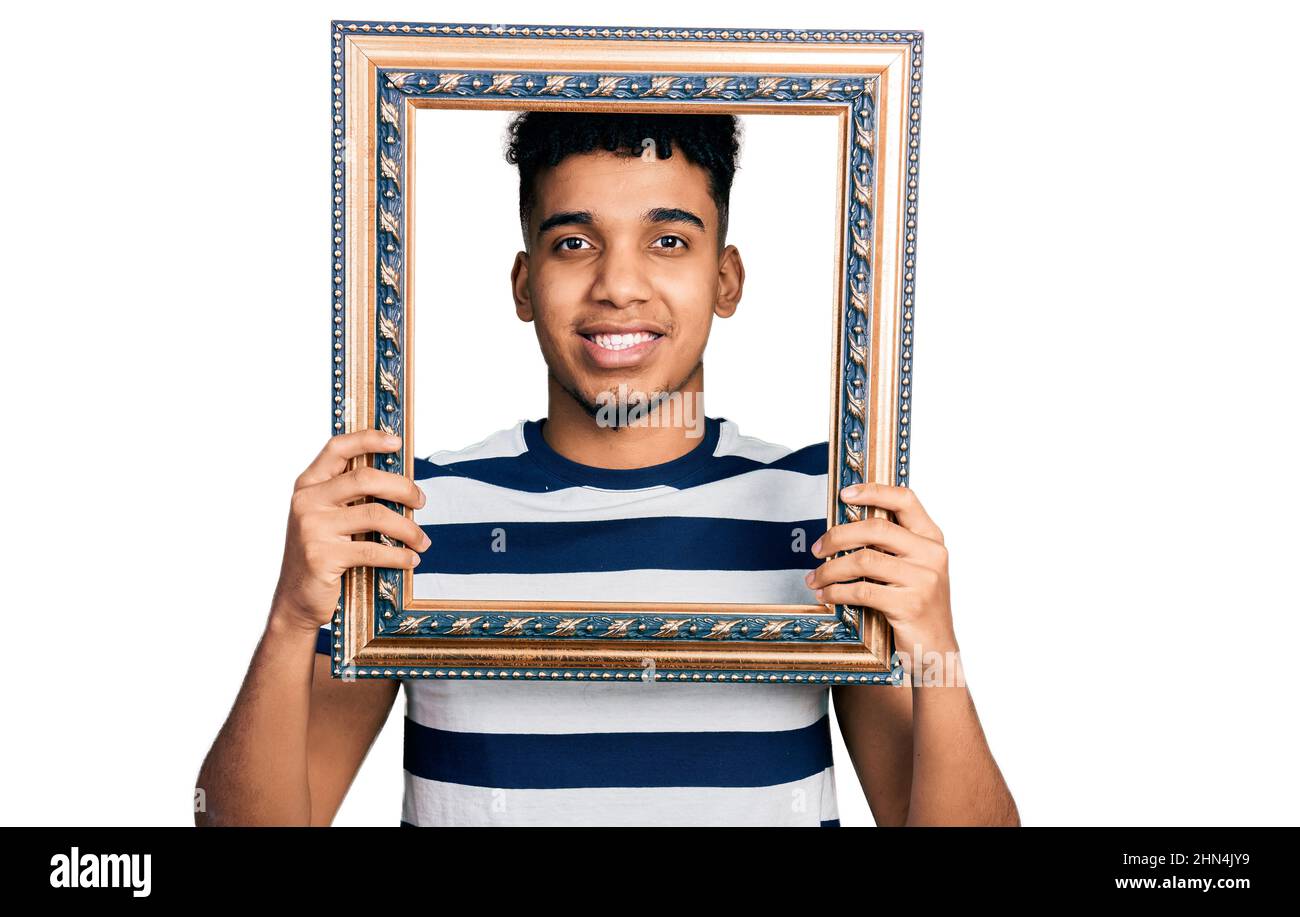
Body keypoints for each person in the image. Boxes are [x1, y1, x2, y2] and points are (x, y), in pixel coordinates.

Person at [194, 111, 1019, 827]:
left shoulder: (823, 510)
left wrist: (935, 647)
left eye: (668, 241)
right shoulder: (414, 511)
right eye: (574, 242)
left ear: (725, 278)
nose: (620, 285)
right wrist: (289, 620)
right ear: (525, 284)